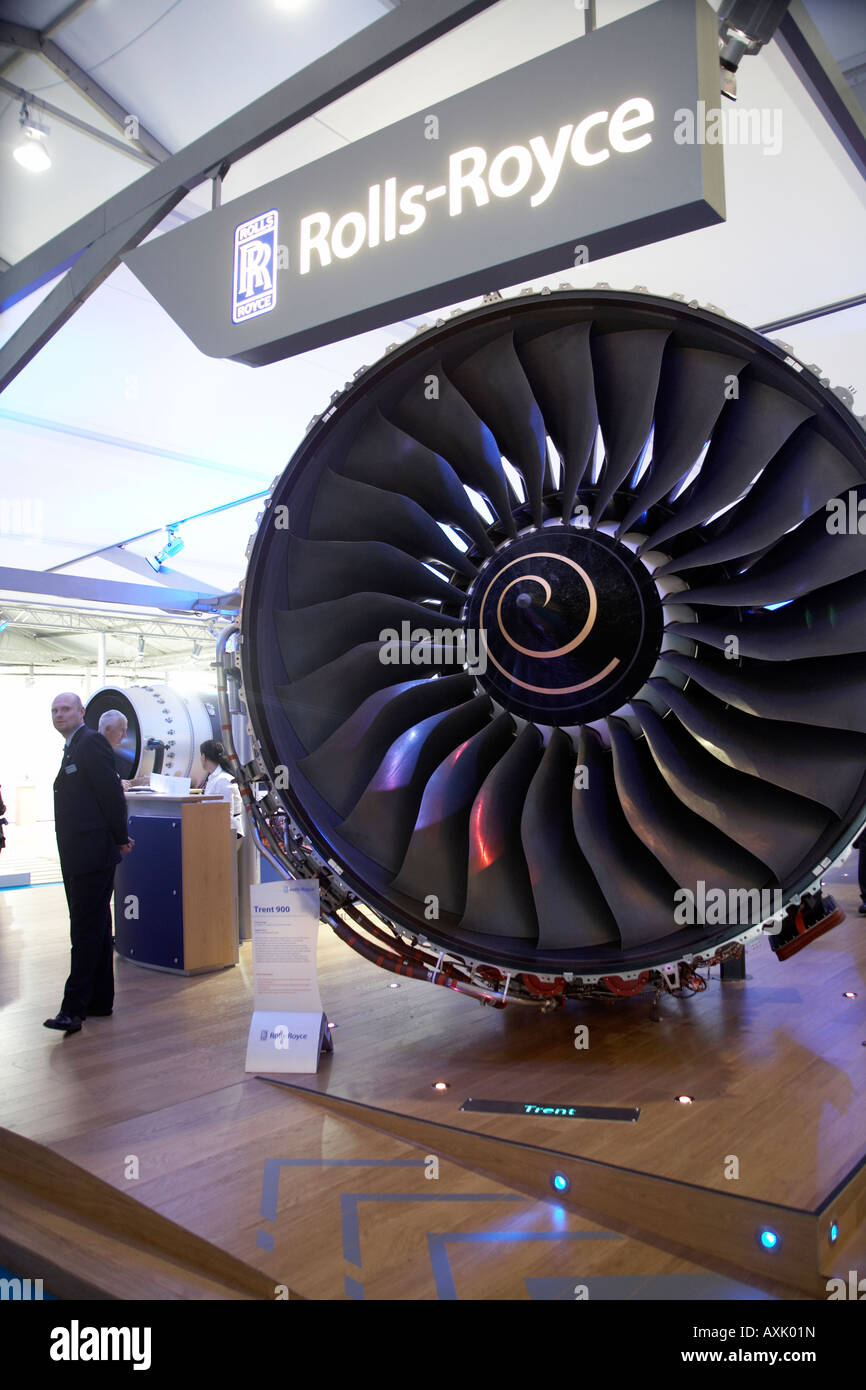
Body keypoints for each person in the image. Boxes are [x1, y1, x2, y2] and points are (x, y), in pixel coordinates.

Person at [45, 692, 134, 1035]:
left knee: (84, 928)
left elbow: (110, 795)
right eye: (54, 710)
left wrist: (119, 837)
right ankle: (100, 1000)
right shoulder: (75, 745)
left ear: (81, 712)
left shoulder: (90, 743)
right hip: (82, 851)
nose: (59, 714)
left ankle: (73, 1009)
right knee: (95, 926)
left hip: (90, 853)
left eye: (65, 709)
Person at [199, 739, 245, 842]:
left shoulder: (223, 779)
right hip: (217, 830)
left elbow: (226, 813)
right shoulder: (214, 777)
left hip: (226, 833)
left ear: (203, 757)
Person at [97, 709, 136, 781]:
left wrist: (140, 781)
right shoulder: (89, 751)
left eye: (125, 731)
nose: (125, 736)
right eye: (122, 730)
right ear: (108, 729)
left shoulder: (106, 753)